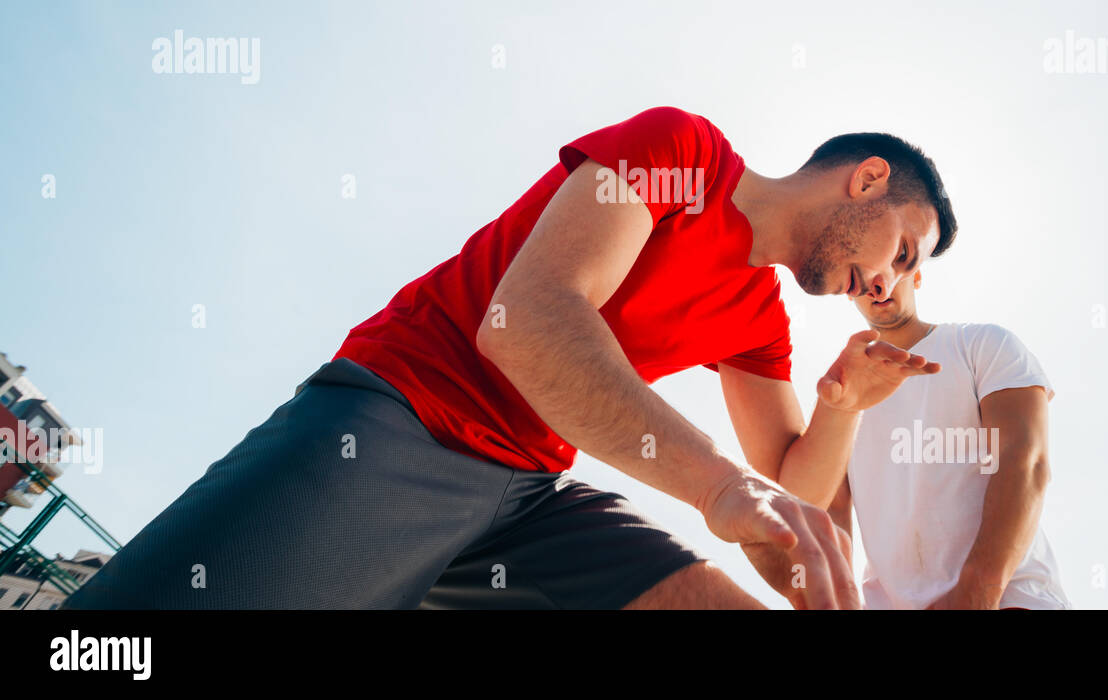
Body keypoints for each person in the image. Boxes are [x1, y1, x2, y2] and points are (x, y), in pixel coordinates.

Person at [64, 106, 956, 610]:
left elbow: (786, 484)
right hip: (405, 417)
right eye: (905, 252)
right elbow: (526, 323)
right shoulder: (686, 157)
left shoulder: (758, 317)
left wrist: (840, 404)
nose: (891, 282)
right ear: (868, 179)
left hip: (526, 493)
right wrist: (719, 487)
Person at [833, 270, 1071, 609]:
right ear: (846, 290)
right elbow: (829, 518)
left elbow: (1026, 460)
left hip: (1011, 601)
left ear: (915, 274)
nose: (877, 285)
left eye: (889, 265)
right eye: (859, 274)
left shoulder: (984, 345)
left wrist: (975, 594)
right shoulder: (842, 398)